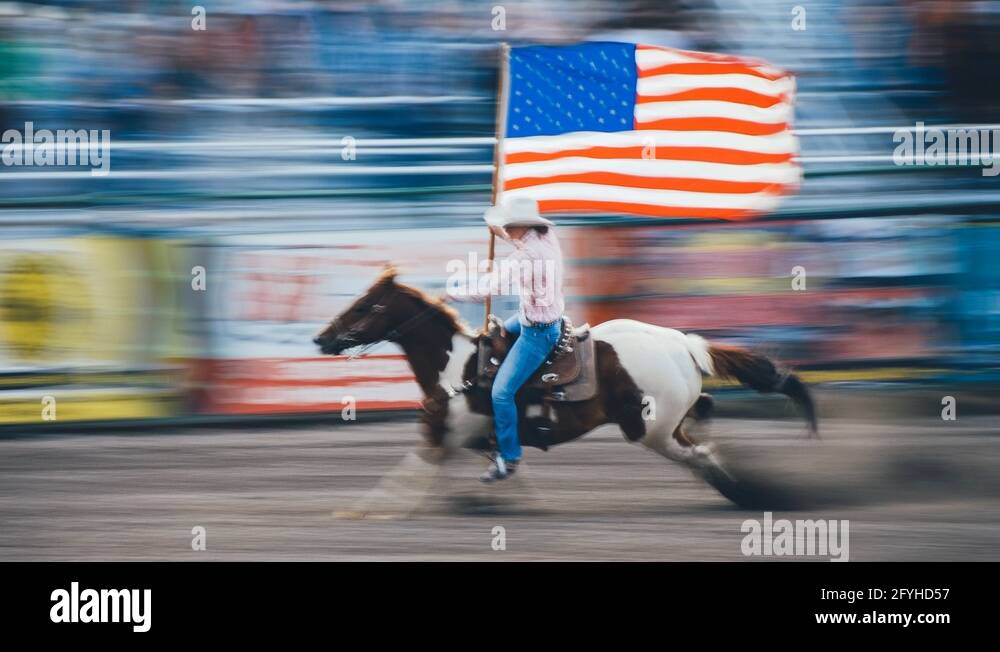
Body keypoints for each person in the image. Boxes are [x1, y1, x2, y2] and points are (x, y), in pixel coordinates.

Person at [477, 197, 566, 482]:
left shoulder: (525, 258)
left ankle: (509, 456)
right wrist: (497, 229)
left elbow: (488, 289)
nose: (506, 230)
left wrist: (448, 294)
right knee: (501, 332)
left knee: (501, 393)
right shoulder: (546, 237)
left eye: (508, 226)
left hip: (538, 333)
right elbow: (514, 239)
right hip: (544, 316)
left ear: (520, 226)